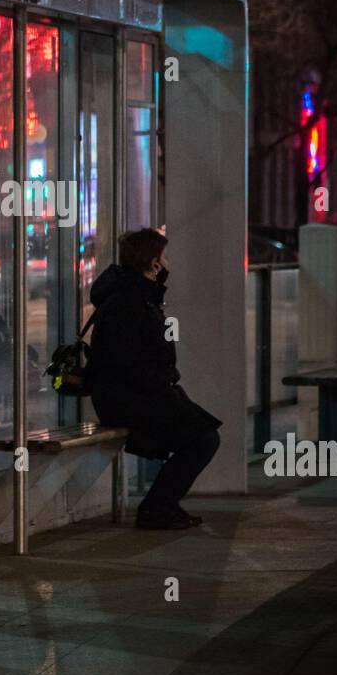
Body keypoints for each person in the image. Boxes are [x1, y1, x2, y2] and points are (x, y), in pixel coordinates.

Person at [86, 227, 221, 531]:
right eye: (164, 256)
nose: (168, 262)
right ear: (154, 264)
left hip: (136, 393)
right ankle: (157, 507)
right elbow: (124, 362)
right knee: (203, 438)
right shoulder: (128, 302)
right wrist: (164, 379)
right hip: (126, 398)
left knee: (202, 434)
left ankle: (161, 505)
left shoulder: (138, 297)